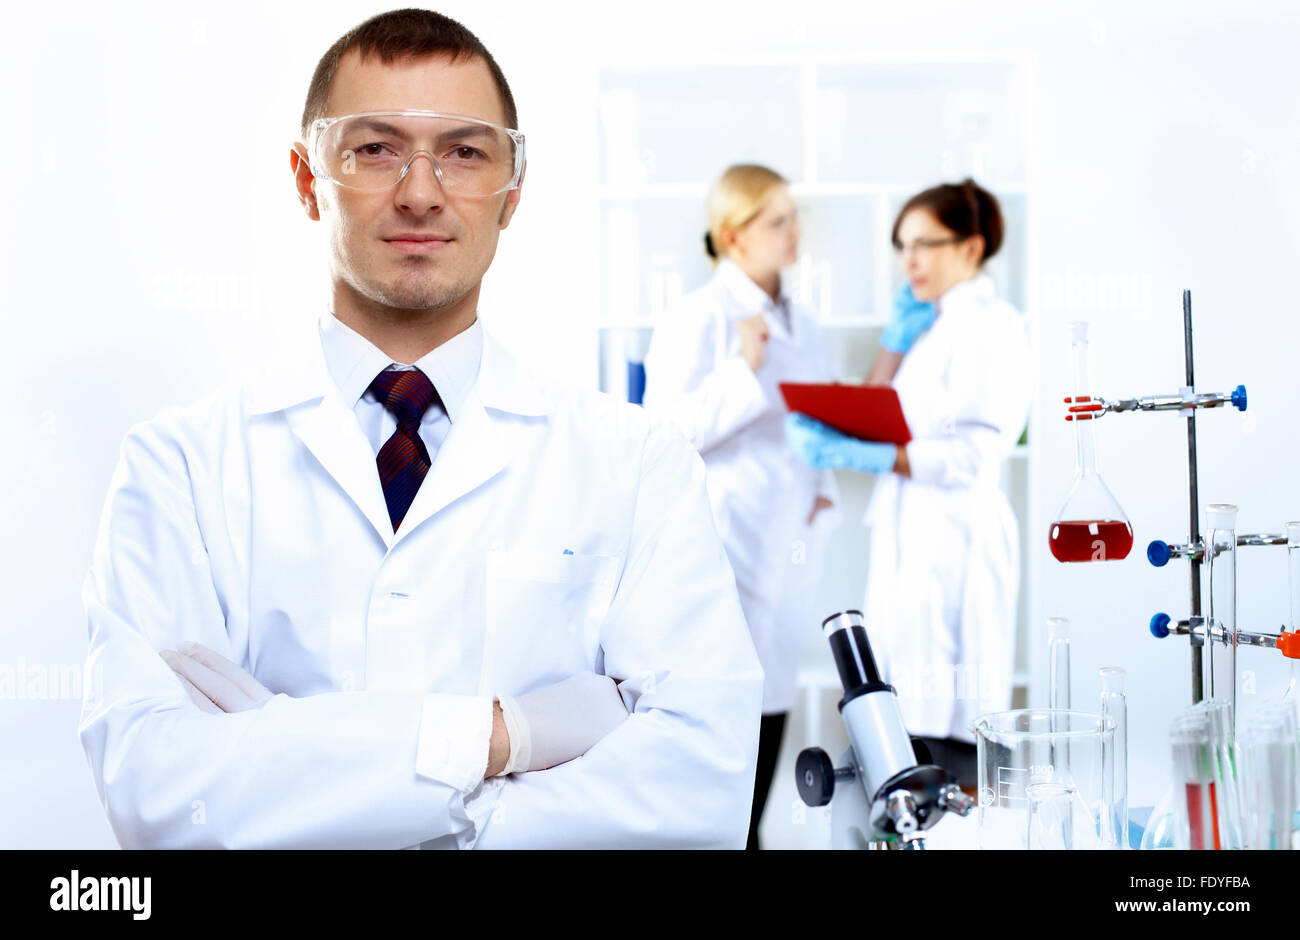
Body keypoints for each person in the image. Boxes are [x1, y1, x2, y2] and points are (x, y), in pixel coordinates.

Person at [77, 8, 763, 850]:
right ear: (305, 178)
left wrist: (301, 759)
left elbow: (702, 789)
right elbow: (158, 791)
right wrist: (502, 738)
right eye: (375, 148)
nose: (421, 190)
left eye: (465, 152)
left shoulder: (636, 463)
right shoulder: (177, 466)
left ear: (513, 191)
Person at [785, 179, 1031, 785]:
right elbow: (877, 408)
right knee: (906, 725)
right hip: (914, 540)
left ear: (972, 248)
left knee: (954, 736)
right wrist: (894, 343)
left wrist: (871, 457)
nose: (909, 260)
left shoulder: (993, 327)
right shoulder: (931, 328)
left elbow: (974, 453)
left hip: (958, 544)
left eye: (925, 243)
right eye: (902, 245)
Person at [641, 165, 838, 849]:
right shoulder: (699, 317)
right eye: (777, 221)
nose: (794, 233)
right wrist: (741, 370)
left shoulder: (804, 318)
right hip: (724, 538)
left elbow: (804, 421)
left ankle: (750, 836)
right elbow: (663, 433)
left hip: (790, 533)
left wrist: (822, 488)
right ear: (733, 234)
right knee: (727, 704)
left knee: (777, 685)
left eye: (794, 217)